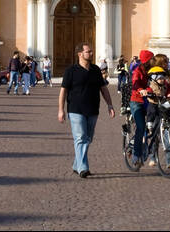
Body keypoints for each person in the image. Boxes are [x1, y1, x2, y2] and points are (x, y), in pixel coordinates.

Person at [58, 42, 115, 177]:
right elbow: (63, 92)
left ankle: (76, 164)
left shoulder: (95, 70)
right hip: (75, 110)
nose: (91, 53)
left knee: (88, 138)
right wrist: (61, 110)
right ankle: (83, 168)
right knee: (80, 138)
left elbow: (103, 89)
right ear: (80, 54)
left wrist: (110, 105)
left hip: (93, 109)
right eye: (88, 51)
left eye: (91, 51)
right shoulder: (70, 71)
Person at [127, 49, 154, 166]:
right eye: (151, 59)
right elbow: (136, 83)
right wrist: (141, 90)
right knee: (141, 126)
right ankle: (136, 154)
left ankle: (152, 153)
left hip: (147, 101)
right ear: (147, 61)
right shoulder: (137, 71)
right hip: (136, 101)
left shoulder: (150, 71)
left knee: (153, 124)